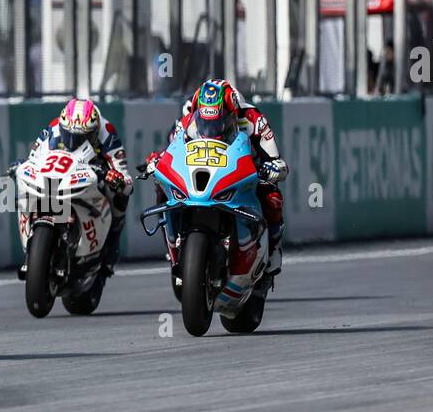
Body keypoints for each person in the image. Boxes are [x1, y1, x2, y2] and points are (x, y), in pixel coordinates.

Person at [146, 78, 289, 276]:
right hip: (203, 174)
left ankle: (273, 248)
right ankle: (175, 246)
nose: (211, 129)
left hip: (245, 173)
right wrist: (158, 162)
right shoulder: (187, 121)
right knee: (164, 185)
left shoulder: (253, 118)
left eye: (219, 122)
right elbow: (173, 151)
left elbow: (277, 161)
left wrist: (273, 168)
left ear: (232, 114)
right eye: (204, 122)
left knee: (272, 196)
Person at [26, 98, 134, 275]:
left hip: (93, 176)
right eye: (67, 135)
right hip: (61, 173)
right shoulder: (54, 126)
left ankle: (111, 245)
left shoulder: (107, 132)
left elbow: (125, 178)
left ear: (94, 131)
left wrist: (117, 178)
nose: (72, 141)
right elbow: (34, 157)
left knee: (121, 195)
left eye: (81, 137)